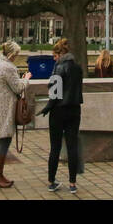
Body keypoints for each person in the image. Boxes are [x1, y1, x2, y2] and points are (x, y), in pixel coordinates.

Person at [39, 38, 84, 193]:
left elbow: (54, 92)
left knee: (55, 147)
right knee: (72, 147)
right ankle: (72, 183)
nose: (53, 58)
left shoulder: (58, 68)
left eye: (55, 55)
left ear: (60, 54)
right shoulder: (78, 68)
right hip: (74, 110)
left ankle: (51, 180)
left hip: (58, 111)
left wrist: (46, 108)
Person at [0, 41, 32, 188]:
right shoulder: (8, 67)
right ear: (11, 54)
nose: (17, 57)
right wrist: (26, 78)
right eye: (16, 55)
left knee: (3, 140)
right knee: (5, 141)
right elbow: (18, 87)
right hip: (6, 109)